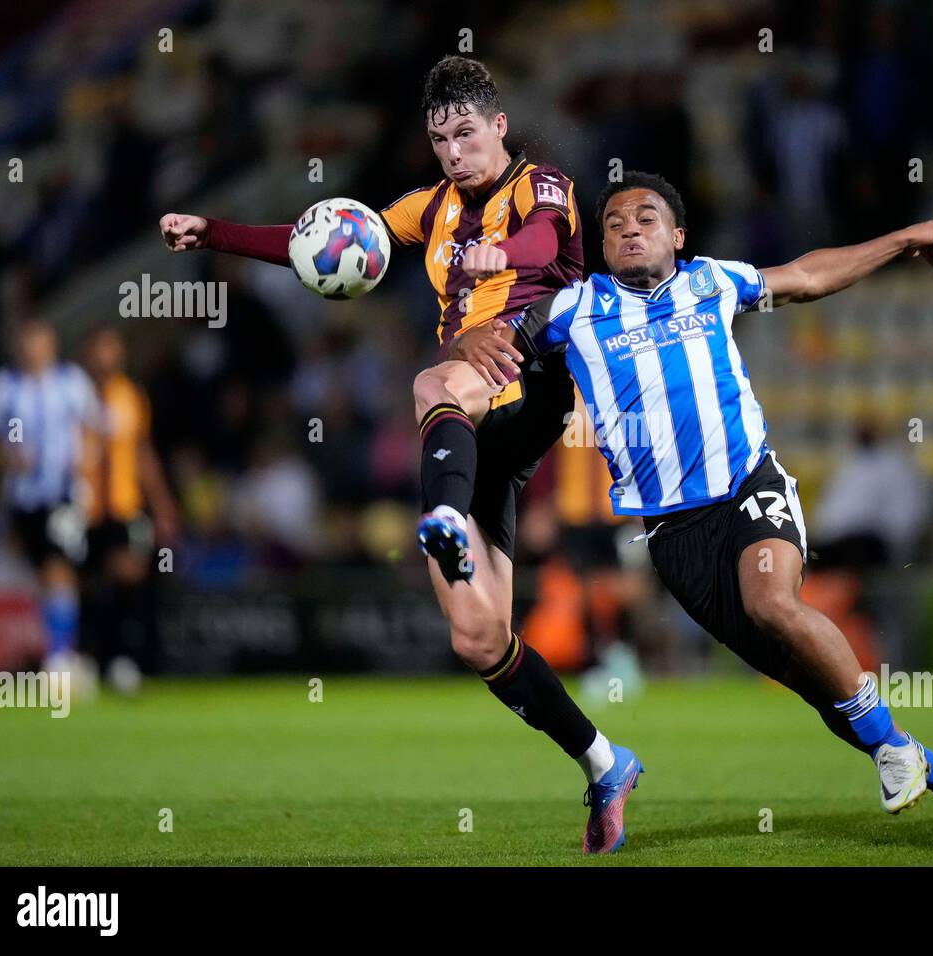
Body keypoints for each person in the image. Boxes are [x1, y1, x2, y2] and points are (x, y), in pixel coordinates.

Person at [451, 171, 933, 846]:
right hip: (672, 534)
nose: (628, 229)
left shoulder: (712, 282)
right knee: (816, 685)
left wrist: (904, 238)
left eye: (645, 218)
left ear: (678, 236)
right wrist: (465, 346)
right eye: (612, 224)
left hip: (748, 488)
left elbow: (808, 276)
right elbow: (488, 350)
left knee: (771, 603)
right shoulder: (572, 311)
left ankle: (894, 752)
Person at [159, 56, 627, 853]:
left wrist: (501, 259)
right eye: (440, 137)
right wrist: (218, 233)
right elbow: (322, 240)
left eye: (467, 133)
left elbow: (548, 238)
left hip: (533, 365)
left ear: (500, 126)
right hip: (479, 428)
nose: (454, 151)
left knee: (430, 378)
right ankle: (604, 762)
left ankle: (440, 510)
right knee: (479, 639)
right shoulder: (430, 206)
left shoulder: (540, 186)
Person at [0, 319, 102, 679]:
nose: (32, 348)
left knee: (57, 566)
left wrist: (85, 470)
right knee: (42, 575)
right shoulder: (4, 387)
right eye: (27, 341)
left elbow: (93, 429)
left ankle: (61, 657)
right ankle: (62, 652)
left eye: (39, 341)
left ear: (51, 345)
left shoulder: (71, 383)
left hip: (64, 493)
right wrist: (10, 458)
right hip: (23, 498)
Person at [79, 325, 180, 688]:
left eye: (112, 347)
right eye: (99, 348)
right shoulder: (71, 395)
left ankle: (125, 658)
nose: (106, 355)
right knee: (87, 584)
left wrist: (163, 505)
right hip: (82, 506)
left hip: (124, 503)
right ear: (87, 353)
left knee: (129, 574)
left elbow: (143, 452)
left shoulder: (130, 396)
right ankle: (89, 658)